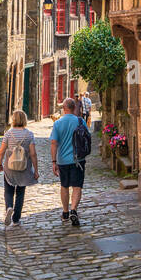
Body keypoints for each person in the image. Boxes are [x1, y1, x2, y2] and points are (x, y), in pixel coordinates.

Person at [0, 109, 38, 227]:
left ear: (13, 120)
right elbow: (33, 154)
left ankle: (9, 207)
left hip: (10, 167)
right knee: (20, 192)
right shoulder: (29, 134)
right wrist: (36, 170)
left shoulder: (9, 133)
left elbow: (1, 151)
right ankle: (16, 218)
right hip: (24, 167)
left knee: (8, 190)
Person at [50, 97, 86, 227]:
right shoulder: (80, 121)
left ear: (64, 109)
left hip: (63, 160)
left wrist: (54, 161)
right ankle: (74, 210)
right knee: (77, 186)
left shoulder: (58, 123)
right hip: (79, 159)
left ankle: (65, 212)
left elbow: (54, 143)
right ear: (74, 108)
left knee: (64, 186)